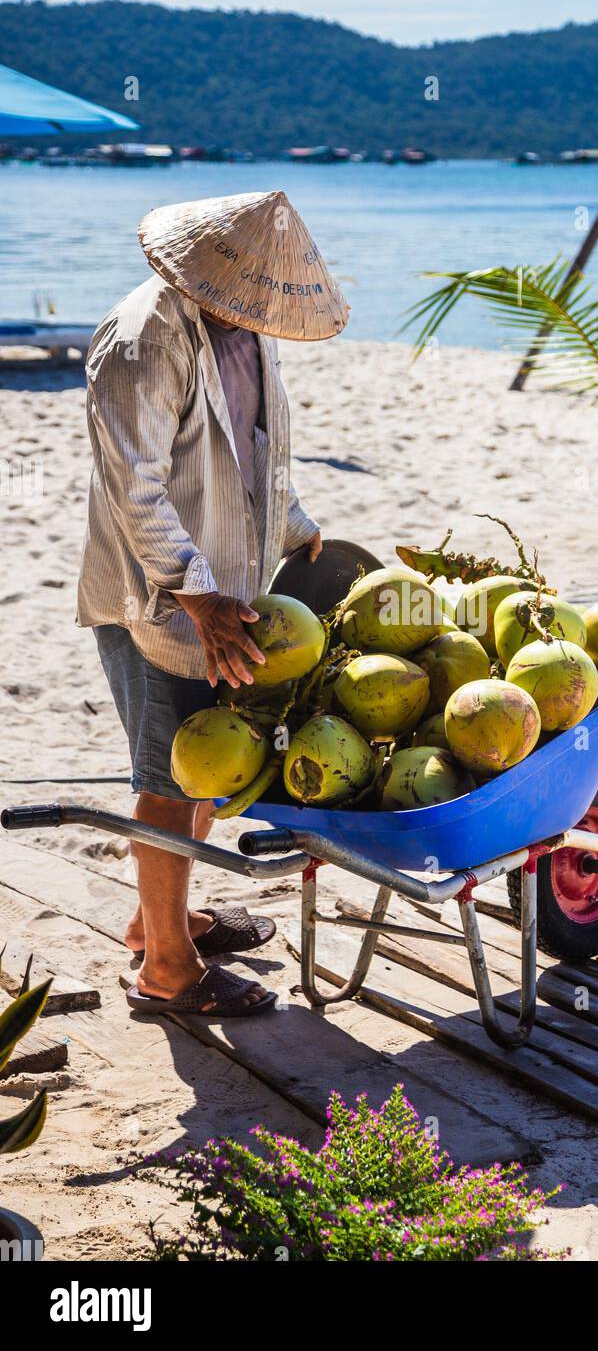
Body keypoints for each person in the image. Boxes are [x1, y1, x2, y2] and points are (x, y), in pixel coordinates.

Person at [77, 190, 349, 1017]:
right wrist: (197, 593)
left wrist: (298, 529)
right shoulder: (140, 341)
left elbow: (254, 449)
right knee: (166, 777)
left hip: (233, 583)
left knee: (206, 768)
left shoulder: (243, 331)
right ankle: (166, 970)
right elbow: (137, 486)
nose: (254, 314)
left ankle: (163, 920)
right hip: (160, 600)